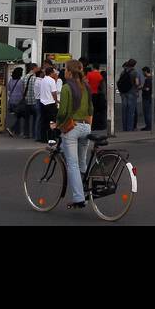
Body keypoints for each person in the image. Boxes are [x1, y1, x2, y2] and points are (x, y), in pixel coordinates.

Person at [54, 60, 93, 209]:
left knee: (72, 164)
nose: (64, 72)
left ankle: (78, 197)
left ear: (69, 72)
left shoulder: (66, 88)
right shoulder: (87, 87)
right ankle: (84, 192)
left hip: (73, 128)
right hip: (86, 127)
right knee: (82, 161)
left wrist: (57, 124)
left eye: (65, 69)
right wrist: (88, 125)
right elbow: (91, 110)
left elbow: (63, 112)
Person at [36, 65, 59, 143]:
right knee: (52, 122)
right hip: (50, 103)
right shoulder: (51, 80)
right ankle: (52, 138)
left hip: (43, 103)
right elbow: (54, 92)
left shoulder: (43, 80)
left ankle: (43, 138)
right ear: (51, 73)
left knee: (44, 121)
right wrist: (56, 101)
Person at [117, 59, 141, 132]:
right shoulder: (135, 72)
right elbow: (137, 83)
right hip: (132, 93)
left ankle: (124, 128)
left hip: (123, 93)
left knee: (124, 111)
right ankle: (129, 129)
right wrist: (139, 87)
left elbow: (118, 82)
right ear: (134, 65)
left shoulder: (123, 72)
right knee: (131, 112)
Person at [5, 67, 26, 138]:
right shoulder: (21, 81)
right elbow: (23, 91)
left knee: (17, 116)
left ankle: (16, 131)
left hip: (11, 100)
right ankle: (12, 128)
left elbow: (9, 89)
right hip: (19, 101)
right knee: (19, 116)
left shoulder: (11, 81)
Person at [86, 63, 106, 132]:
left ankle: (92, 126)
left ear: (93, 67)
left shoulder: (89, 74)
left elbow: (86, 83)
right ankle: (100, 126)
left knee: (91, 111)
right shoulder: (101, 75)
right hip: (99, 95)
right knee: (99, 111)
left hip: (91, 95)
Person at [140, 66, 154, 131]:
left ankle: (148, 126)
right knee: (147, 112)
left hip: (146, 98)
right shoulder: (151, 78)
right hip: (149, 97)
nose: (143, 73)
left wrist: (141, 88)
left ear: (145, 71)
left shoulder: (148, 79)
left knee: (147, 113)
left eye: (143, 72)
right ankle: (148, 126)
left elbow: (147, 89)